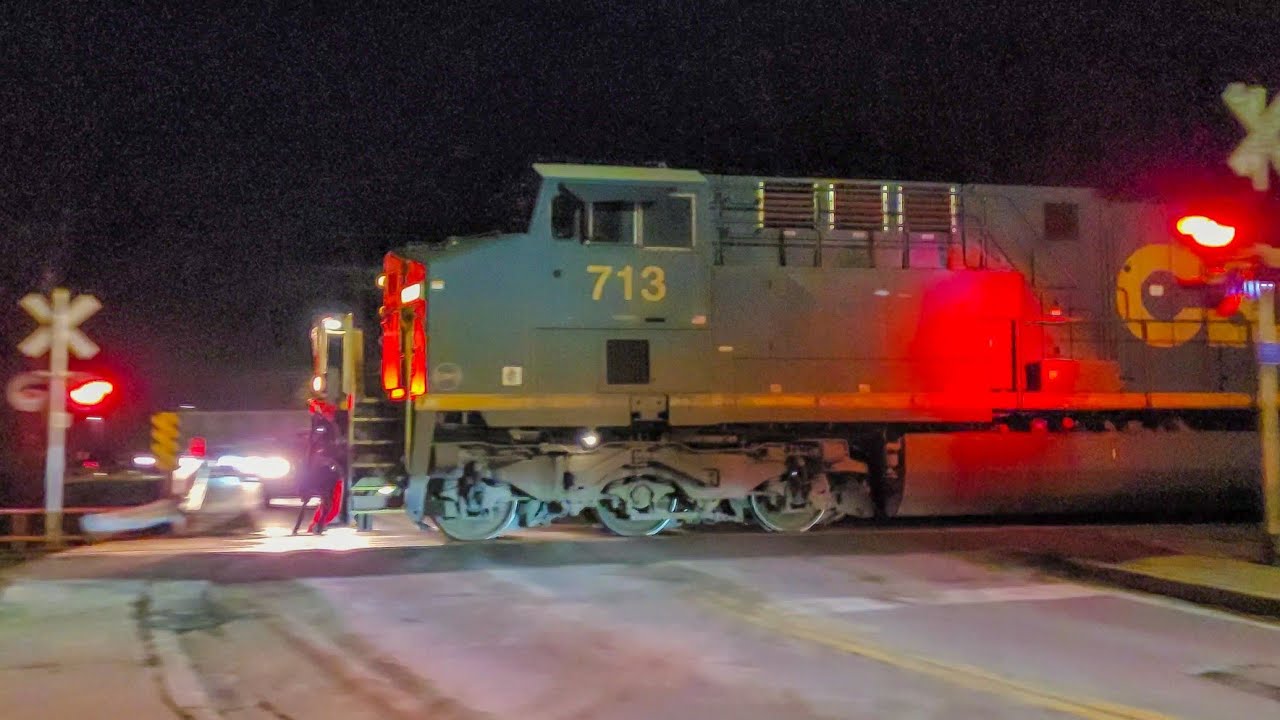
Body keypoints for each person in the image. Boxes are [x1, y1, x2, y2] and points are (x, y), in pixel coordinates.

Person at [293, 412, 345, 535]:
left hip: (319, 474)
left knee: (324, 502)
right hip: (320, 473)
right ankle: (317, 526)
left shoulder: (322, 435)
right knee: (327, 502)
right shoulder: (323, 435)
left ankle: (314, 526)